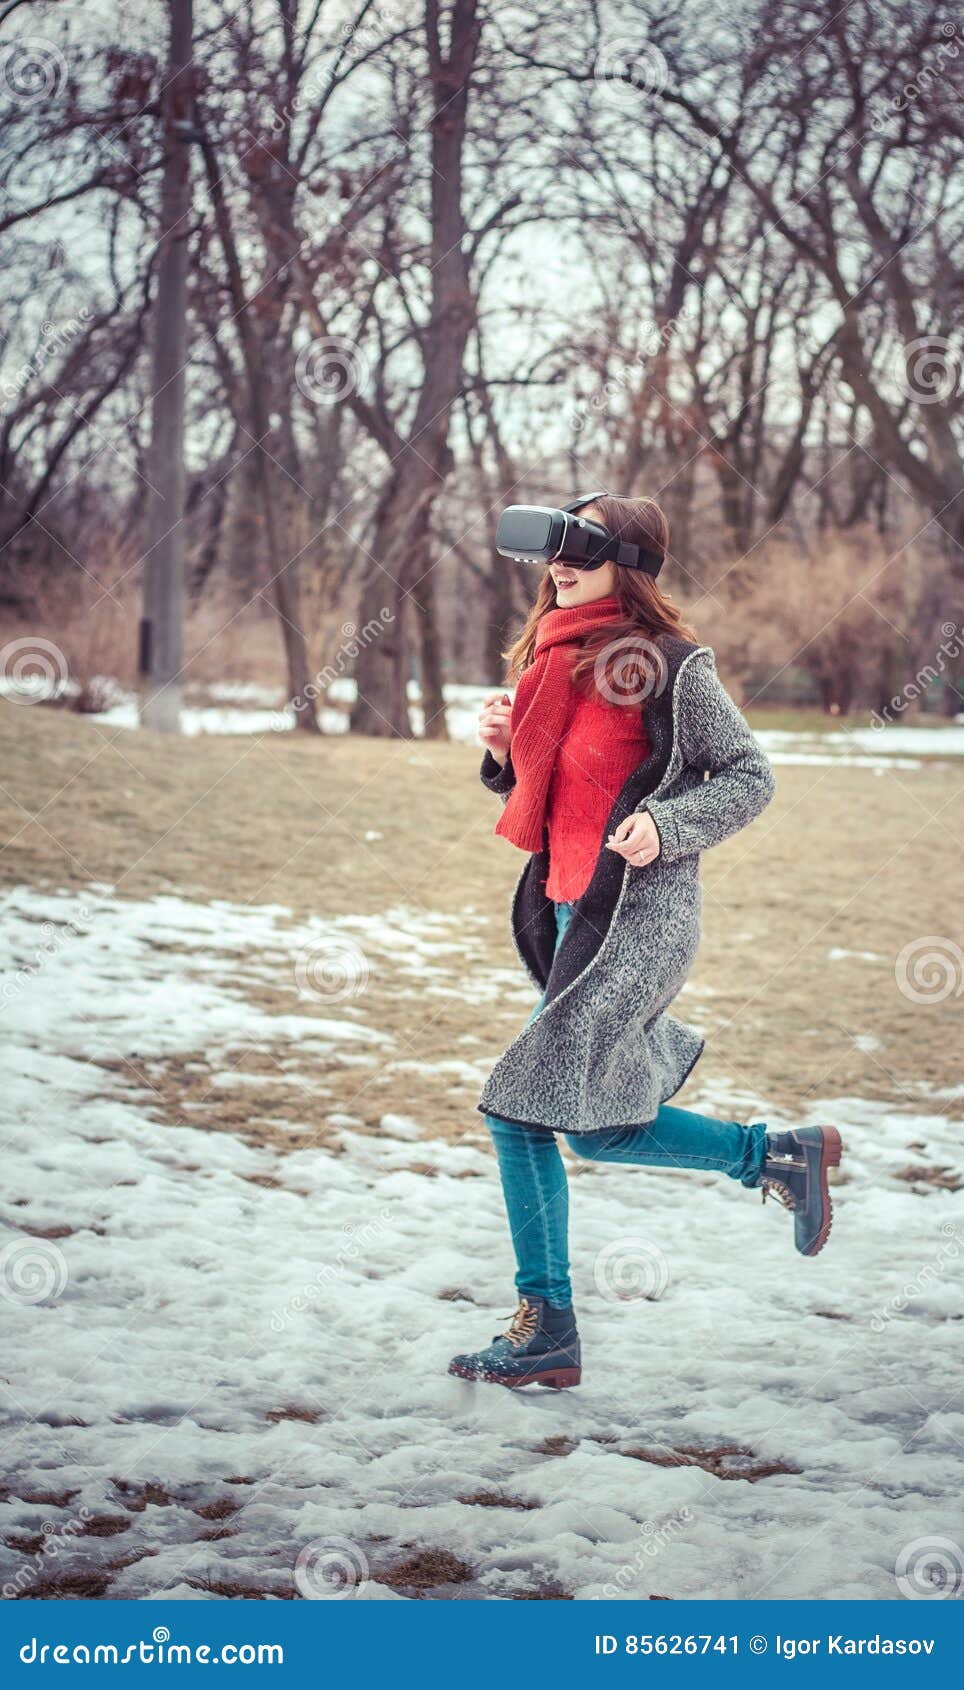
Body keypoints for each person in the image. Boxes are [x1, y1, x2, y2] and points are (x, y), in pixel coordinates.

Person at [448, 493, 842, 1391]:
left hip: (636, 920)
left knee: (518, 1111)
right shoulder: (558, 658)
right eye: (555, 549)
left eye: (579, 547)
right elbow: (563, 798)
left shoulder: (668, 663)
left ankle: (546, 1327)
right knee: (597, 1129)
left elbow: (750, 776)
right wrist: (512, 752)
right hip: (565, 913)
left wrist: (669, 824)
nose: (558, 563)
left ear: (625, 561)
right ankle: (776, 1155)